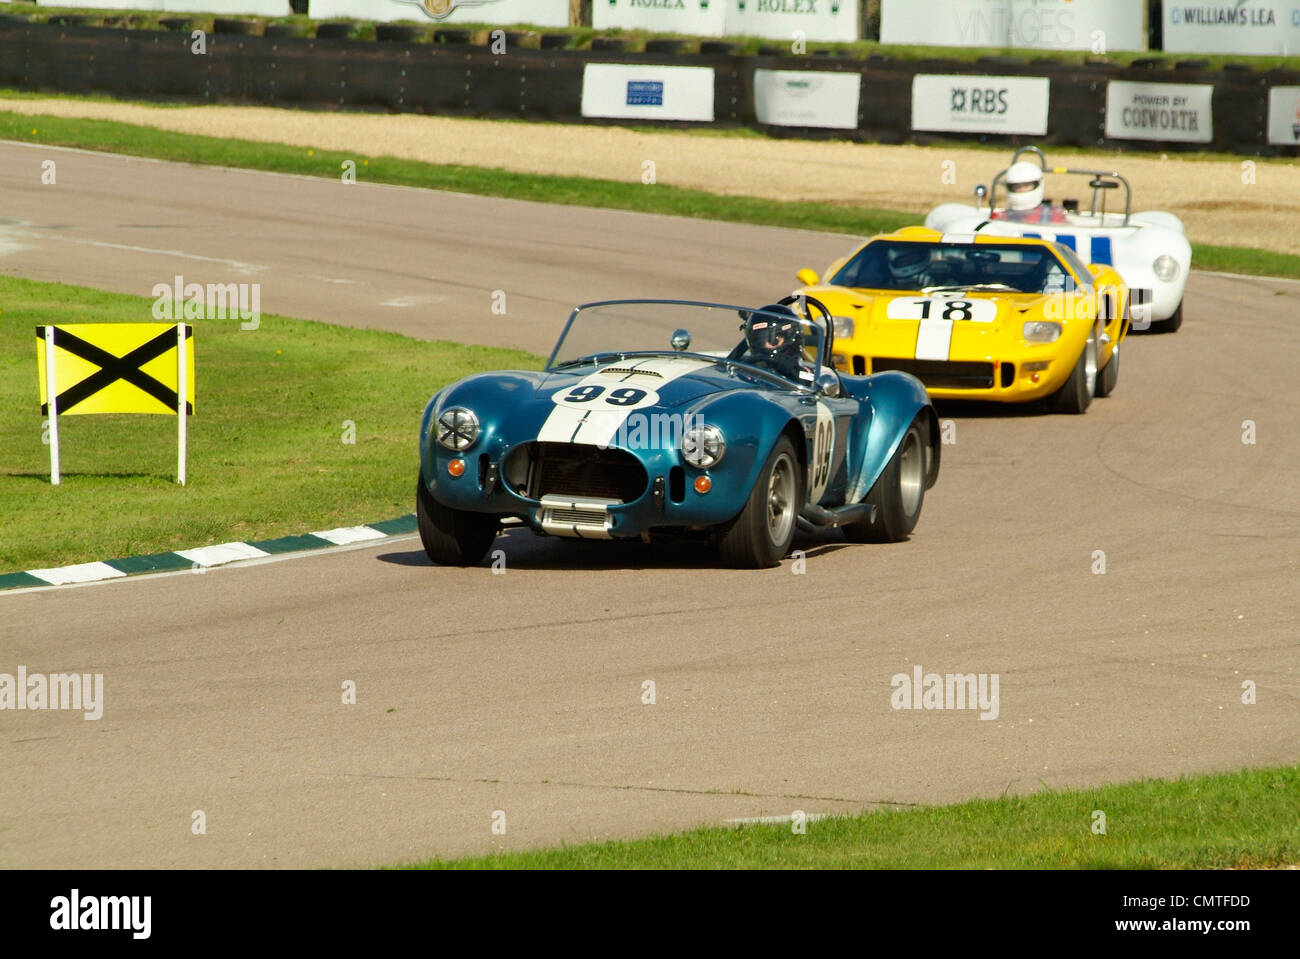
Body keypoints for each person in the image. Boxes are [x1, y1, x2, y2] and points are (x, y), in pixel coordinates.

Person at [740, 305, 811, 384]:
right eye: (759, 341)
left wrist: (794, 371)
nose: (765, 345)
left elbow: (818, 385)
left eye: (773, 340)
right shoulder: (741, 368)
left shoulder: (809, 374)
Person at [993, 161, 1068, 225]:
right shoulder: (1000, 217)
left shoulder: (1055, 216)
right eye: (1016, 186)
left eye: (1026, 185)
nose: (1021, 189)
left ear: (1038, 184)